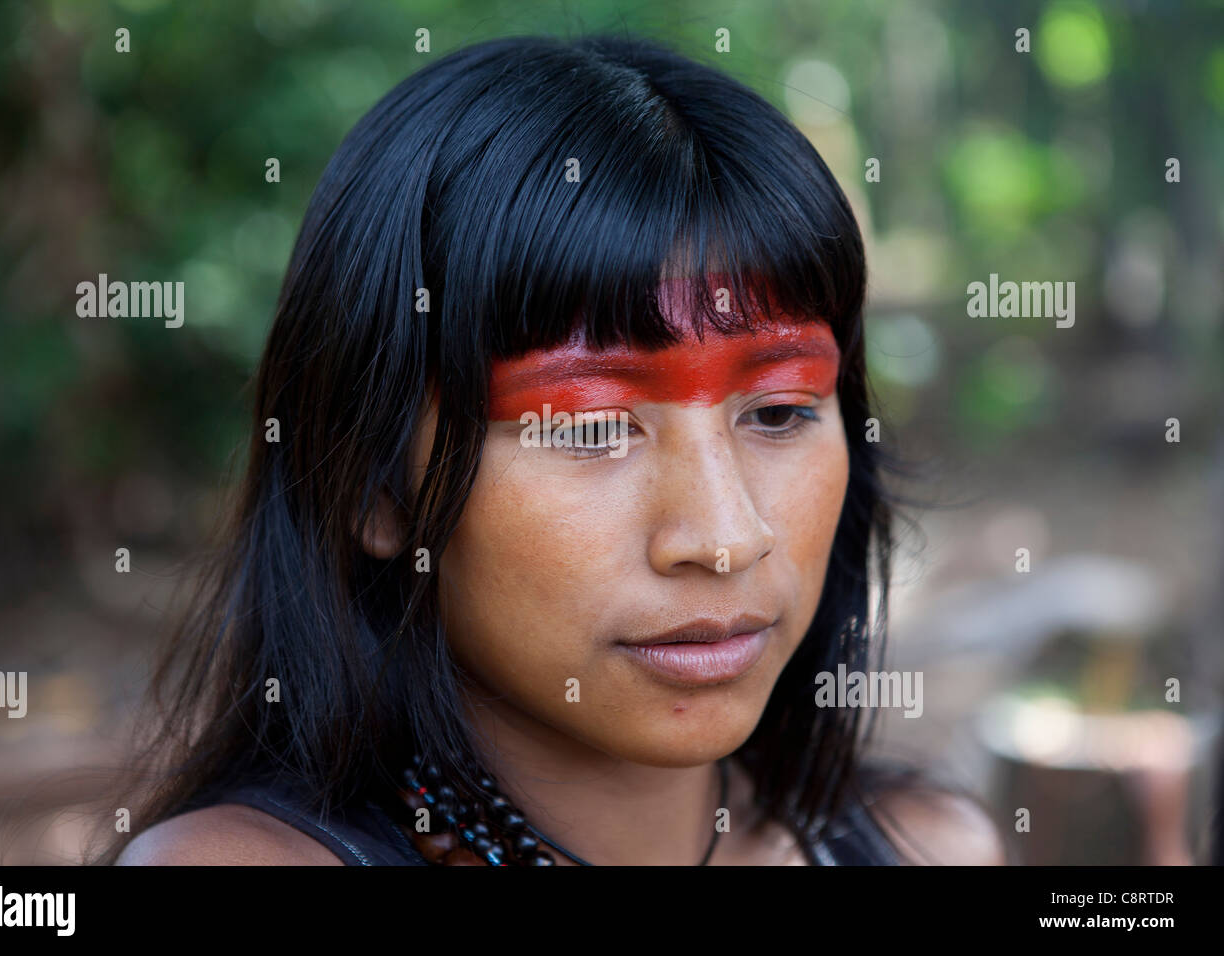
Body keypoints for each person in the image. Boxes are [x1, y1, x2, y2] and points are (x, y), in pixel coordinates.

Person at [101, 32, 1004, 866]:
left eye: (776, 412)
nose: (726, 538)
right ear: (373, 489)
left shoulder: (927, 848)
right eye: (589, 427)